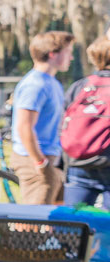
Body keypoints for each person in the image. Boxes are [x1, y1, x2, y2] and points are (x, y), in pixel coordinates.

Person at [11, 29, 74, 205]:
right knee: (33, 224)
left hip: (51, 158)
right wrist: (41, 163)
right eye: (68, 52)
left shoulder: (52, 83)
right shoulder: (35, 85)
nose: (71, 58)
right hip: (35, 160)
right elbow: (24, 127)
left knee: (56, 219)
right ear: (53, 54)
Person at [63, 34, 110, 208]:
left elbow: (64, 125)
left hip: (79, 163)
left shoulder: (80, 86)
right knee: (107, 228)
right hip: (107, 161)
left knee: (73, 226)